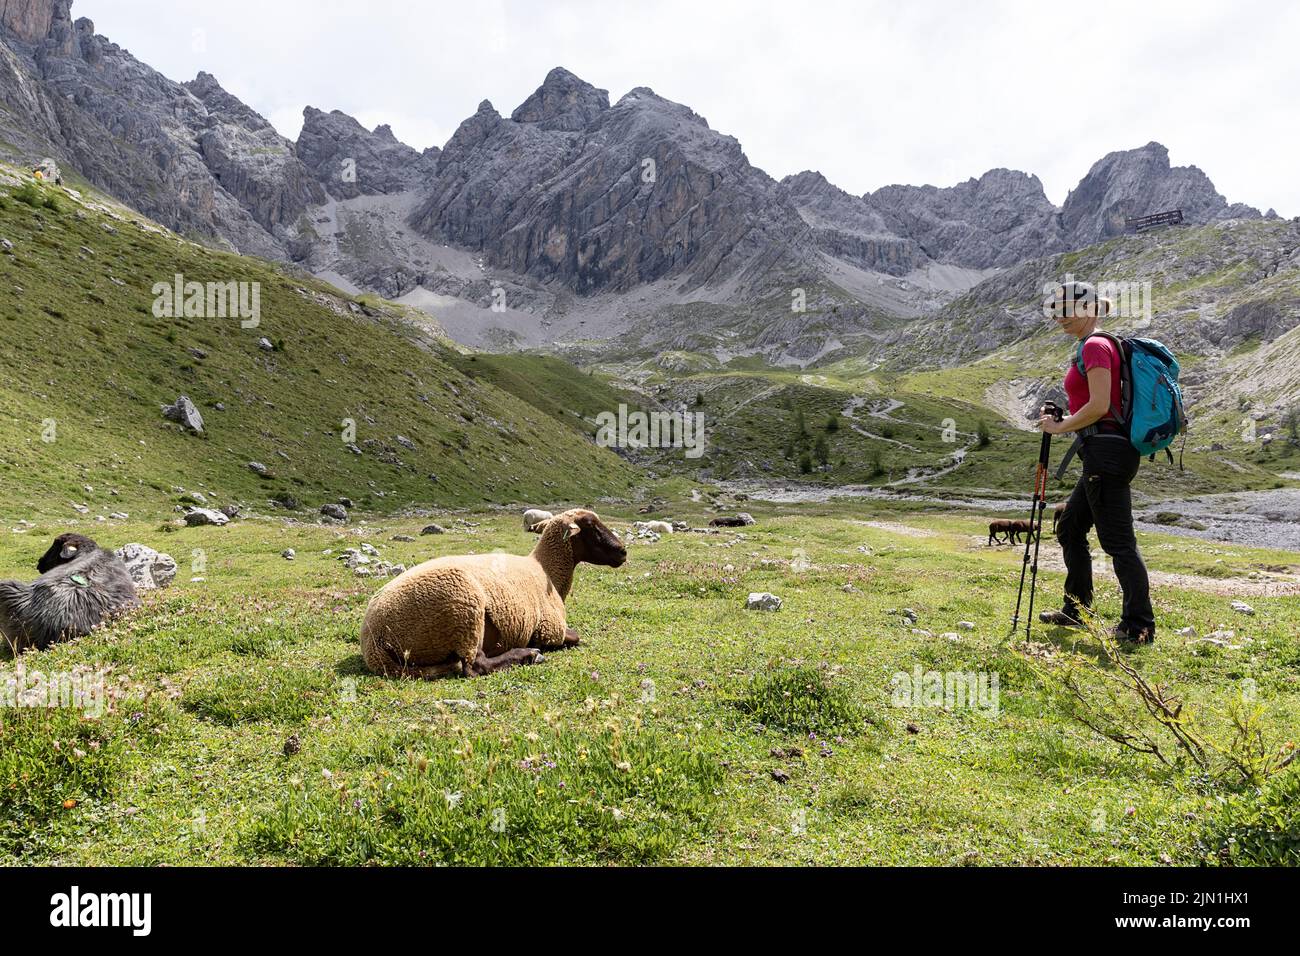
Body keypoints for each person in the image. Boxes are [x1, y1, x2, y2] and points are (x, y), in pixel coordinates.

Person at [1037, 281, 1155, 644]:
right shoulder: (1092, 345)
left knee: (1118, 542)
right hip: (1101, 453)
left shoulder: (1096, 345)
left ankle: (1138, 625)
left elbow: (1101, 405)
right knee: (1070, 527)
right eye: (1055, 311)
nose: (1059, 318)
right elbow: (1096, 404)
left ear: (1087, 308)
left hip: (1107, 454)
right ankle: (1077, 611)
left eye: (1066, 310)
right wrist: (1065, 416)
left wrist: (1059, 427)